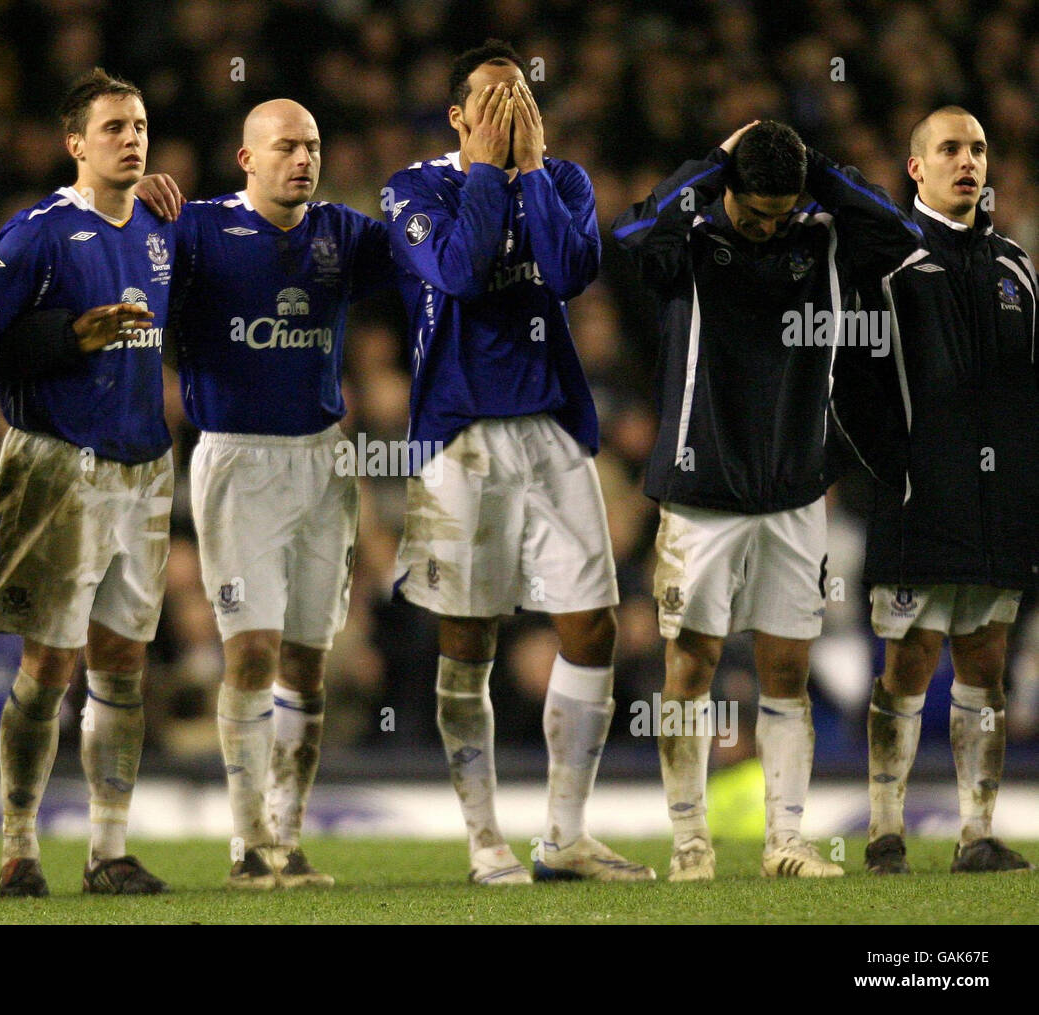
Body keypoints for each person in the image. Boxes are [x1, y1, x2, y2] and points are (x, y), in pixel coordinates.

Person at [612, 120, 923, 880]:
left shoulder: (818, 238)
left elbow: (901, 230)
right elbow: (629, 233)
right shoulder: (687, 241)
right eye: (754, 212)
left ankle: (786, 840)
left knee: (787, 668)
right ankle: (691, 842)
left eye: (782, 212)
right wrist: (711, 163)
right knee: (691, 667)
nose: (768, 226)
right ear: (726, 192)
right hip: (700, 488)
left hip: (791, 489)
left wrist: (818, 171)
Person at [386, 40, 651, 886]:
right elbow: (461, 273)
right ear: (460, 117)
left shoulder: (563, 180)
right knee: (469, 638)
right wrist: (494, 175)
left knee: (593, 624)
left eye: (523, 99)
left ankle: (565, 834)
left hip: (549, 429)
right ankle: (483, 838)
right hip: (460, 436)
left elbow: (572, 270)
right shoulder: (413, 189)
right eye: (494, 104)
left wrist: (529, 168)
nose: (512, 115)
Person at [148, 98, 391, 888]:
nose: (304, 159)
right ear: (246, 159)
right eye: (286, 146)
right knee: (249, 649)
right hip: (237, 463)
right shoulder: (198, 229)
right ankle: (248, 842)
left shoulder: (343, 234)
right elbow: (126, 265)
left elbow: (429, 271)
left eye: (313, 146)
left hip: (323, 464)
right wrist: (132, 203)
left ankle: (288, 836)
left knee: (309, 664)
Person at [0, 68, 179, 897]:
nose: (131, 139)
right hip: (61, 465)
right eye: (113, 129)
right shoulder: (39, 233)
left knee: (122, 662)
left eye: (138, 125)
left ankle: (109, 849)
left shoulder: (165, 228)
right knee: (49, 663)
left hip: (146, 469)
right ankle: (18, 847)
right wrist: (69, 336)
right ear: (75, 145)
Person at [838, 107, 1036, 875]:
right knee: (911, 657)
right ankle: (886, 830)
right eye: (950, 149)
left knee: (985, 659)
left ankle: (975, 835)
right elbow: (849, 384)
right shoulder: (886, 263)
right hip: (919, 501)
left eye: (979, 149)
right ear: (915, 166)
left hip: (996, 507)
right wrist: (898, 468)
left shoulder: (1015, 268)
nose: (968, 161)